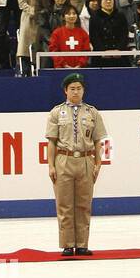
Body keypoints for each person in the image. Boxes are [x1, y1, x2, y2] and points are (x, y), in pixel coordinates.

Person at [46, 71, 106, 256]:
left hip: (86, 160)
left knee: (83, 204)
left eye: (79, 88)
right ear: (65, 90)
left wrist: (98, 163)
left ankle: (82, 243)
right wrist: (51, 165)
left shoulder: (92, 112)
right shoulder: (57, 112)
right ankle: (67, 243)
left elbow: (98, 141)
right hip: (64, 159)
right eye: (72, 88)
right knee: (64, 204)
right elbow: (51, 141)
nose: (76, 92)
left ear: (83, 90)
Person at [16, 0, 48, 77]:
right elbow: (22, 3)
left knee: (38, 48)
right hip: (29, 18)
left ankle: (38, 72)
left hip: (42, 19)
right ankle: (24, 72)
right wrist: (35, 12)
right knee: (26, 48)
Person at [89, 0, 130, 68]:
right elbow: (94, 37)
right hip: (101, 56)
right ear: (100, 2)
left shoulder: (120, 16)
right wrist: (103, 51)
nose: (108, 2)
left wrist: (119, 49)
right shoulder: (94, 17)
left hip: (119, 55)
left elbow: (124, 35)